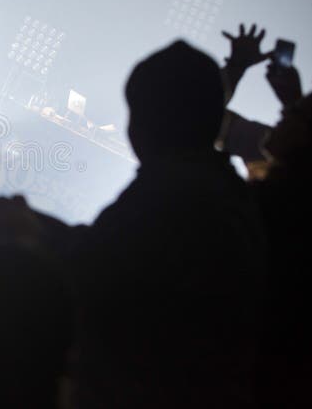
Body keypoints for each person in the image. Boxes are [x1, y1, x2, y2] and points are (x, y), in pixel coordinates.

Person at [72, 41, 266, 409]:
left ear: (145, 125)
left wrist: (32, 233)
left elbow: (92, 271)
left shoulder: (171, 196)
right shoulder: (226, 192)